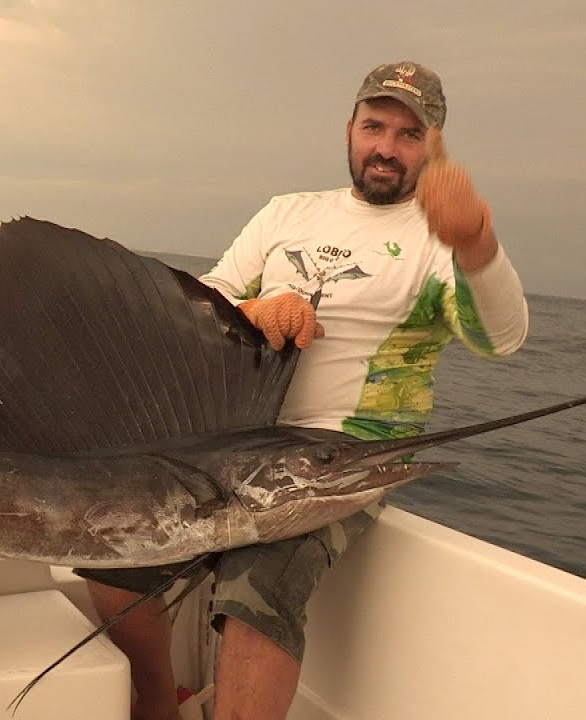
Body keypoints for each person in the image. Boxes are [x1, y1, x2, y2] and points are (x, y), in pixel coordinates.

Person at [82, 61, 530, 720]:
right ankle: (156, 703)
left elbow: (503, 338)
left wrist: (477, 242)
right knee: (111, 554)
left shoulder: (442, 239)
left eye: (409, 134)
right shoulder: (287, 212)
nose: (386, 147)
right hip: (234, 439)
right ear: (349, 129)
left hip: (340, 457)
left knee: (255, 588)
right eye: (374, 126)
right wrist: (251, 310)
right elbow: (202, 299)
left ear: (433, 147)